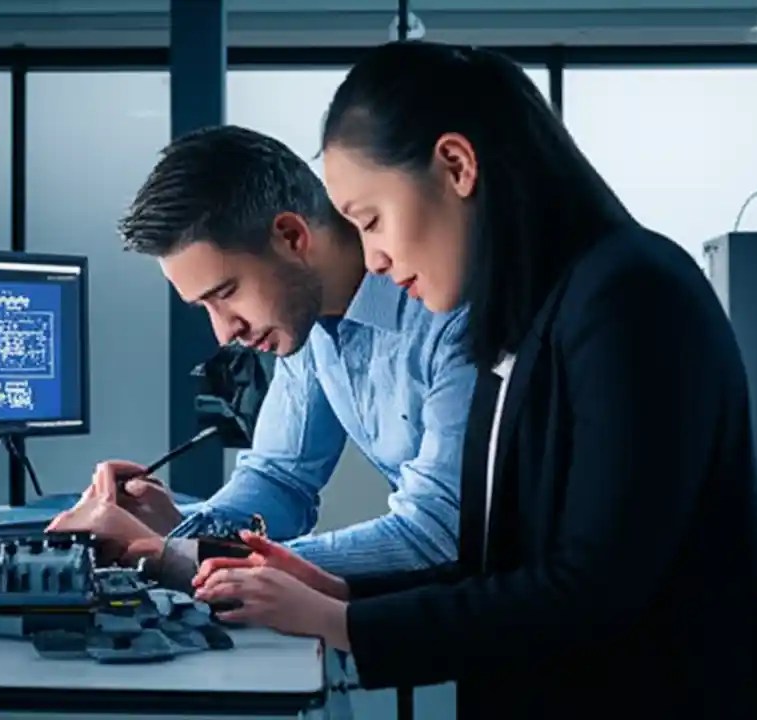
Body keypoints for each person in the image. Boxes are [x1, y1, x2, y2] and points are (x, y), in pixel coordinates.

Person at [190, 41, 757, 718]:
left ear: (456, 165)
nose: (374, 259)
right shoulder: (529, 318)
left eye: (372, 220)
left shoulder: (630, 294)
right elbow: (505, 564)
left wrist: (344, 624)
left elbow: (588, 590)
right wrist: (336, 592)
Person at [47, 124, 477, 588]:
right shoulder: (304, 319)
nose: (224, 330)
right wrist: (177, 526)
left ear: (291, 236)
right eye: (205, 307)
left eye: (227, 293)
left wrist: (178, 555)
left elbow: (436, 535)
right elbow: (280, 481)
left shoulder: (447, 310)